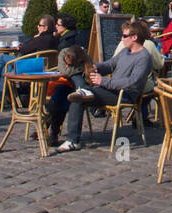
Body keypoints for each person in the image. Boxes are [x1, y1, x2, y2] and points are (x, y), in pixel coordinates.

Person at [57, 19, 153, 153]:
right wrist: (95, 67)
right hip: (110, 90)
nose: (121, 39)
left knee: (78, 97)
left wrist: (103, 82)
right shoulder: (125, 52)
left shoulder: (144, 57)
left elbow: (133, 82)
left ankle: (73, 140)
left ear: (134, 37)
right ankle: (58, 130)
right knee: (74, 87)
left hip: (124, 95)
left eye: (124, 36)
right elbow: (110, 64)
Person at [0, 14, 58, 97]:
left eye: (40, 25)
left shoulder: (41, 39)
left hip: (33, 68)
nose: (38, 27)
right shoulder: (54, 39)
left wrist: (33, 38)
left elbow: (24, 49)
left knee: (3, 58)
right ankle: (0, 99)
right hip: (45, 67)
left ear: (45, 28)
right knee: (6, 68)